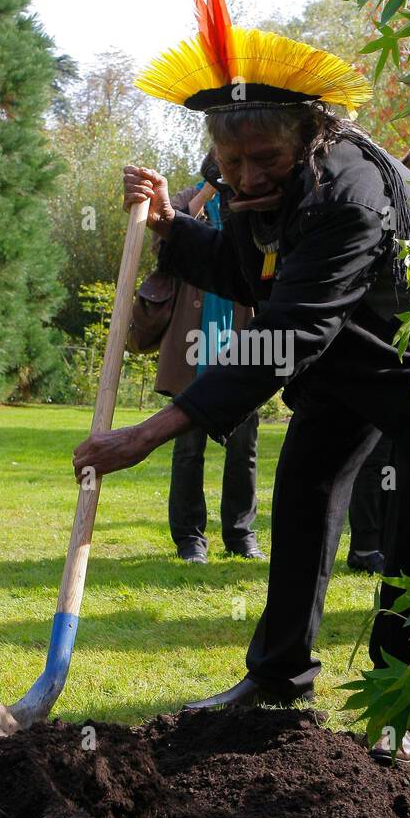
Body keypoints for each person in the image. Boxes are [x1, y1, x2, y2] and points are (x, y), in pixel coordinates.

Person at [72, 0, 410, 761]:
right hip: (342, 351)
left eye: (263, 159)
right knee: (302, 495)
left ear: (310, 136)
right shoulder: (239, 180)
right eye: (230, 162)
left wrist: (157, 429)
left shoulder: (350, 195)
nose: (247, 176)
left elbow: (289, 330)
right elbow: (243, 267)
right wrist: (171, 222)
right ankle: (277, 678)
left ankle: (400, 696)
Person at [154, 156, 263, 564]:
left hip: (244, 345)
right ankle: (190, 540)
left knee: (242, 450)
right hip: (192, 345)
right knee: (188, 449)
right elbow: (164, 242)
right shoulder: (186, 199)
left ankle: (240, 535)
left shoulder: (252, 205)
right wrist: (206, 191)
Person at [346, 145, 410, 575]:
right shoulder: (381, 200)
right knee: (373, 448)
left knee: (400, 456)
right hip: (378, 343)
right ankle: (365, 543)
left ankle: (387, 539)